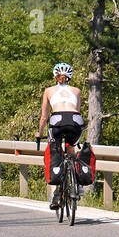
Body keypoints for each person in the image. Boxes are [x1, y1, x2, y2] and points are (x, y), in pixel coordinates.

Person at [36, 62, 84, 210]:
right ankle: (78, 185)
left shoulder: (49, 90)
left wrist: (40, 132)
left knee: (55, 153)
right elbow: (76, 110)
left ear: (55, 76)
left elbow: (44, 116)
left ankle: (55, 192)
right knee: (72, 151)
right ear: (70, 76)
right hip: (76, 121)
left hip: (57, 121)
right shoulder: (76, 90)